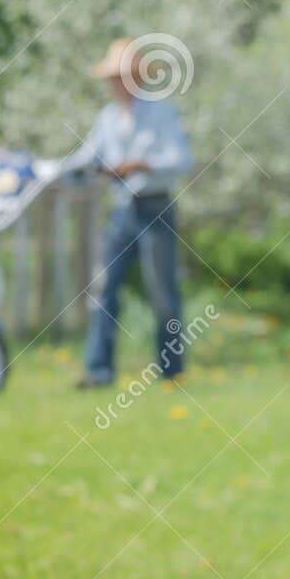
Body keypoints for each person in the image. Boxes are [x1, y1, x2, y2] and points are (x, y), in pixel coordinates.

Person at [67, 38, 193, 388]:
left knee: (163, 294)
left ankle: (171, 373)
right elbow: (86, 158)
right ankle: (98, 371)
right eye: (113, 78)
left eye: (123, 77)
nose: (116, 84)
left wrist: (143, 165)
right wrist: (51, 171)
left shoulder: (161, 112)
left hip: (156, 209)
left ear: (138, 77)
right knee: (104, 289)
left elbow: (182, 160)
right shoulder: (107, 118)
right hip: (122, 211)